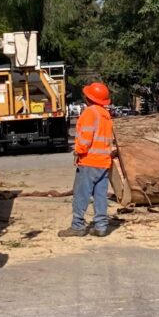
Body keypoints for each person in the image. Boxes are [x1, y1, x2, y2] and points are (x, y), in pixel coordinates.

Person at [60, 82, 115, 237]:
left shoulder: (90, 113)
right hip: (104, 161)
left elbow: (85, 138)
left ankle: (77, 226)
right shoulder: (105, 114)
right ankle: (101, 226)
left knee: (81, 194)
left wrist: (78, 152)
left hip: (89, 161)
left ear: (89, 98)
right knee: (100, 195)